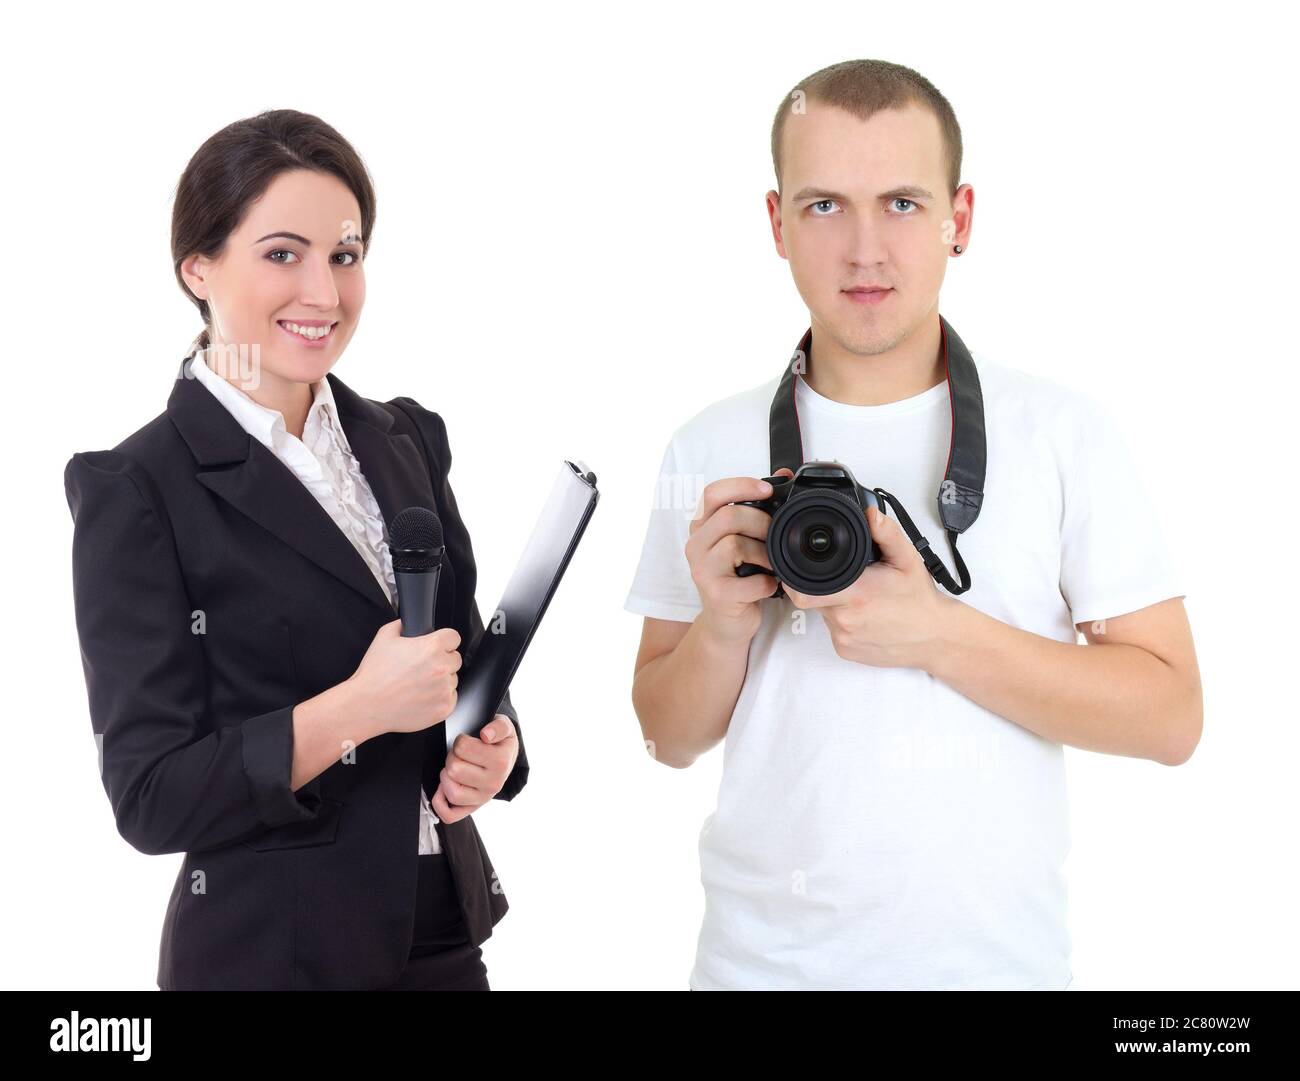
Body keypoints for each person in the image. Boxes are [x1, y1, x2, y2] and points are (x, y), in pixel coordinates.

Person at [625, 59, 1202, 991]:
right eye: (822, 206)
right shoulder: (709, 445)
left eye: (900, 202)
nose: (864, 250)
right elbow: (667, 734)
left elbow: (1172, 718)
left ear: (958, 220)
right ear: (776, 223)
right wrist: (725, 627)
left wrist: (940, 634)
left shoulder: (1063, 434)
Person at [64, 109, 527, 990]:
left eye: (344, 256)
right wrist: (354, 708)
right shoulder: (138, 488)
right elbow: (150, 793)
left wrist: (493, 746)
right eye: (283, 253)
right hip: (274, 958)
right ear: (197, 268)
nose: (324, 292)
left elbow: (457, 664)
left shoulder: (404, 439)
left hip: (444, 934)